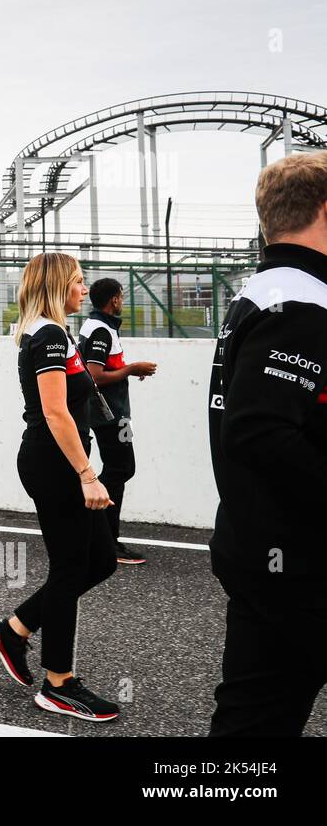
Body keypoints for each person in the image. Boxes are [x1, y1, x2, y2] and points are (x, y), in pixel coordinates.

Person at [208, 152, 327, 736]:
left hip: (265, 548)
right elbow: (259, 430)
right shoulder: (302, 301)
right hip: (299, 564)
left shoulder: (264, 290)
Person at [0, 252, 120, 722]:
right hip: (55, 463)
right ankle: (59, 683)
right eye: (78, 281)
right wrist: (87, 474)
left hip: (61, 459)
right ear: (58, 285)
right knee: (70, 567)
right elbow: (56, 411)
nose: (84, 289)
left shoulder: (55, 332)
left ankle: (14, 629)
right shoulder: (48, 336)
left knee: (99, 561)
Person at [79, 278, 158, 564]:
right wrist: (131, 369)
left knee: (120, 468)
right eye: (121, 296)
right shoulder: (101, 330)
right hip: (109, 414)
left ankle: (97, 535)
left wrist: (126, 369)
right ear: (114, 300)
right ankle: (105, 541)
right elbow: (95, 375)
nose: (122, 300)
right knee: (121, 468)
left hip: (110, 412)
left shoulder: (97, 325)